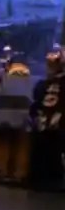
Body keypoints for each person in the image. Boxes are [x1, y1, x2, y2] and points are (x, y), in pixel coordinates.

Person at [27, 51, 65, 191]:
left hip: (46, 128)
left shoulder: (43, 84)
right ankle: (52, 180)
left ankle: (41, 180)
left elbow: (35, 103)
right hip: (55, 128)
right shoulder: (47, 84)